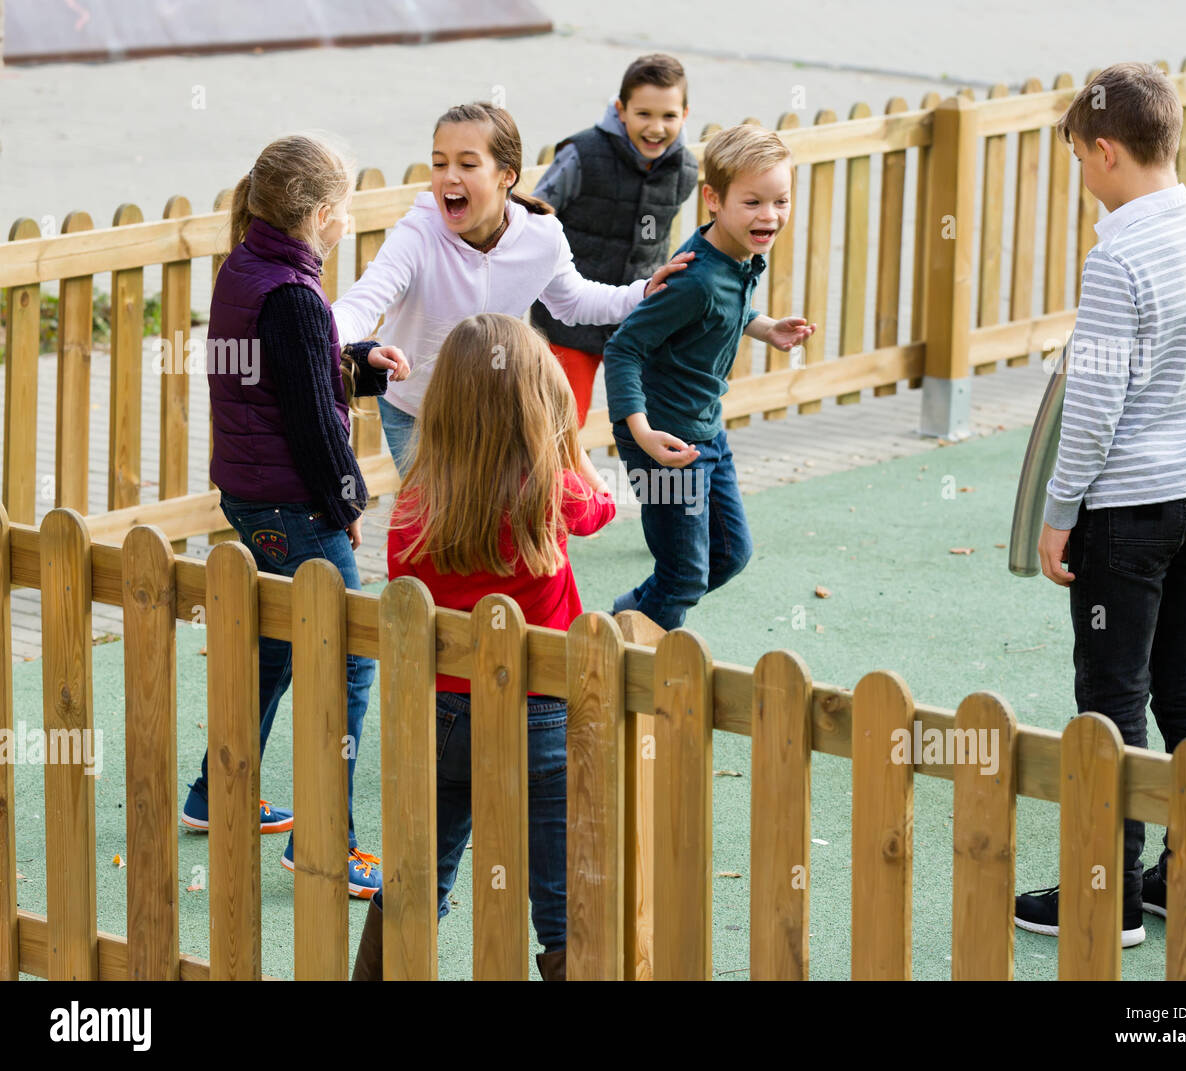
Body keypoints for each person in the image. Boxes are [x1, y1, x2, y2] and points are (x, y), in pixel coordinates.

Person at [1013, 62, 1186, 948]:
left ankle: (1103, 897)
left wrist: (1059, 509)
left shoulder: (1116, 256)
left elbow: (1095, 401)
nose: (1081, 176)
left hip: (1129, 507)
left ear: (1105, 152)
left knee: (1110, 695)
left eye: (1077, 158)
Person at [350, 313, 615, 982]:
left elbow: (410, 598)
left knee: (417, 875)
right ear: (536, 404)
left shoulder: (416, 501)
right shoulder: (551, 490)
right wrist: (571, 449)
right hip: (540, 716)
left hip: (445, 714)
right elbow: (602, 508)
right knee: (559, 897)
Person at [181, 134, 410, 901]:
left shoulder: (246, 268)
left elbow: (289, 378)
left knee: (278, 644)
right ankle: (324, 838)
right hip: (293, 501)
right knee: (347, 656)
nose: (346, 222)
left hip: (250, 494)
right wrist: (348, 504)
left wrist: (361, 363)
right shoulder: (294, 295)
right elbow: (314, 424)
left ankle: (217, 794)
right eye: (343, 211)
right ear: (321, 215)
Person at [330, 101, 693, 476]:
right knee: (436, 522)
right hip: (415, 409)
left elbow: (574, 302)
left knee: (488, 521)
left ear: (507, 175)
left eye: (467, 164)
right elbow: (363, 303)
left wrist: (642, 292)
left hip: (492, 406)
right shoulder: (418, 234)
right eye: (440, 164)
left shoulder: (541, 235)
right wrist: (320, 334)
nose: (449, 176)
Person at [602, 123, 815, 631]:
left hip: (705, 434)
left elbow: (724, 311)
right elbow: (623, 349)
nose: (769, 215)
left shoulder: (735, 260)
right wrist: (640, 432)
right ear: (713, 200)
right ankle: (634, 656)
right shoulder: (693, 279)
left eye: (780, 201)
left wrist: (765, 328)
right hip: (661, 441)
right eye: (753, 202)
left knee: (730, 554)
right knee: (683, 575)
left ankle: (621, 619)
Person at [530, 53, 698, 426]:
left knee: (660, 413)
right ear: (621, 110)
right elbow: (537, 216)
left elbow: (656, 237)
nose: (656, 127)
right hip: (570, 317)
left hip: (637, 313)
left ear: (685, 115)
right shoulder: (583, 155)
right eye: (644, 114)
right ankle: (552, 484)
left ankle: (659, 482)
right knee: (560, 421)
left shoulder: (683, 170)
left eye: (668, 116)